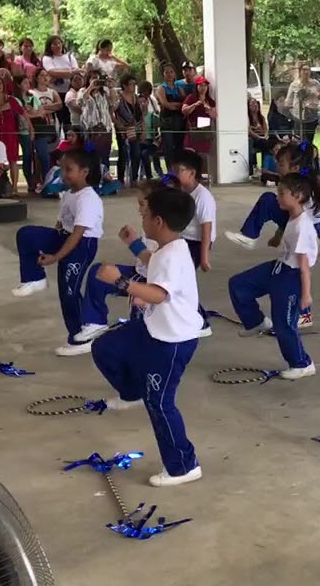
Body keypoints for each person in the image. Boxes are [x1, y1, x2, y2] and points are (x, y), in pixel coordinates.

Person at [88, 186, 204, 487]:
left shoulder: (172, 255)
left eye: (146, 211)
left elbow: (157, 293)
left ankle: (183, 465)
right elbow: (153, 264)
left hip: (173, 340)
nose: (141, 214)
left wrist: (121, 281)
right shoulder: (168, 249)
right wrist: (133, 244)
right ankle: (132, 392)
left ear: (159, 221)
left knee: (161, 402)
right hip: (153, 328)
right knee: (106, 346)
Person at [228, 172, 320, 379]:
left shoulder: (301, 226)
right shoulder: (295, 217)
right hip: (278, 268)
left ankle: (302, 363)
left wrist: (306, 294)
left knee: (284, 324)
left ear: (297, 196)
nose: (277, 197)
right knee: (238, 285)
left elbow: (304, 265)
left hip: (291, 277)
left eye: (281, 193)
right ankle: (256, 321)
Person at [11, 149, 104, 356]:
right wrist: (51, 239)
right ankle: (35, 279)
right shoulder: (70, 193)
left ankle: (81, 337)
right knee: (26, 234)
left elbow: (79, 233)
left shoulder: (88, 199)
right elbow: (62, 222)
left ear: (85, 172)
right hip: (64, 236)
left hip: (82, 245)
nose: (63, 174)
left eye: (68, 169)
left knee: (68, 291)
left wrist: (56, 257)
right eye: (62, 168)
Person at [76, 181, 163, 344]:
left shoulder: (162, 229)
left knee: (139, 326)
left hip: (152, 282)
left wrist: (133, 244)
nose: (139, 209)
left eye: (142, 204)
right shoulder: (150, 224)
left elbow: (156, 263)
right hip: (140, 273)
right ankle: (95, 324)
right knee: (97, 273)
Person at [171, 150, 216, 336]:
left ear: (192, 173)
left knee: (180, 281)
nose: (175, 173)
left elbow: (206, 228)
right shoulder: (180, 191)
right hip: (183, 240)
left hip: (198, 243)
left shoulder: (202, 197)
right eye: (174, 169)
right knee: (177, 279)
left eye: (179, 170)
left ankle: (201, 322)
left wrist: (204, 257)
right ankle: (194, 317)